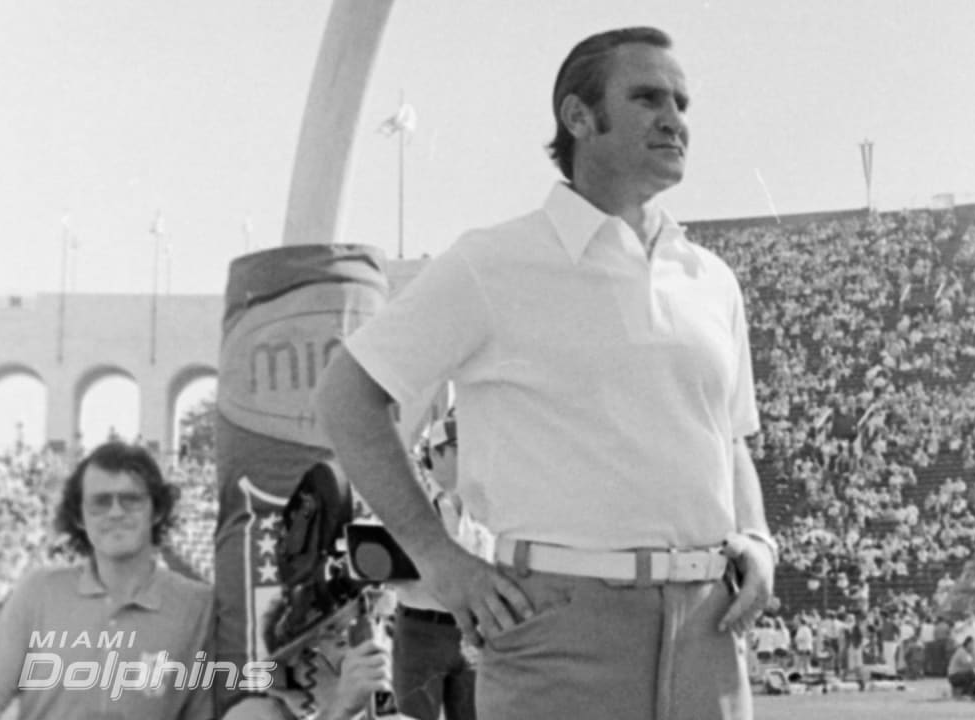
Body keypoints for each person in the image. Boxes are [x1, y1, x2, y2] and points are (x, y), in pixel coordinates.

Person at [315, 25, 775, 720]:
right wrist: (438, 558)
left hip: (709, 626)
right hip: (557, 623)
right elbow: (347, 395)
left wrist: (761, 538)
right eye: (649, 97)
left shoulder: (711, 279)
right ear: (578, 116)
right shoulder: (493, 263)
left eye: (681, 102)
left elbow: (729, 438)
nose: (675, 119)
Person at [0, 441, 213, 720]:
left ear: (156, 511)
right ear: (79, 516)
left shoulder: (197, 606)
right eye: (100, 502)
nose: (116, 512)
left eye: (131, 500)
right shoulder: (38, 592)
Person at [390, 412, 486, 720]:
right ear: (435, 453)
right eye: (459, 449)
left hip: (469, 632)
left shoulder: (479, 507)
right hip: (421, 630)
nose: (468, 457)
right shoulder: (411, 503)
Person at [222, 593, 404, 720]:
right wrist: (341, 712)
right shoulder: (253, 714)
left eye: (378, 624)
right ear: (297, 659)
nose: (372, 642)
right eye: (340, 631)